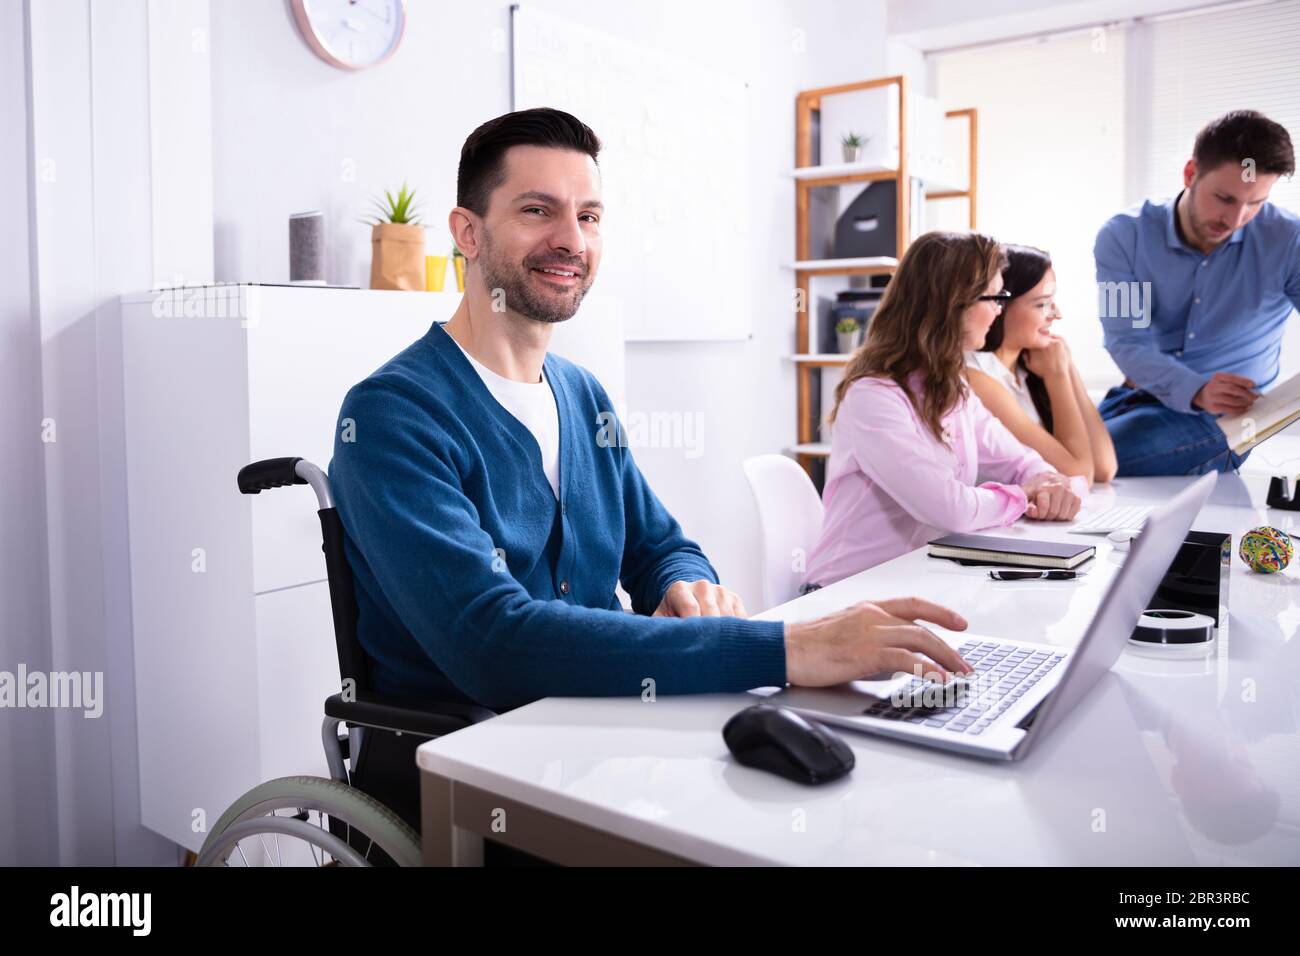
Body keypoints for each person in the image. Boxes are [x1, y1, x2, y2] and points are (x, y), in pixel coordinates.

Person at [329, 108, 974, 718]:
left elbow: (661, 548)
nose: (571, 240)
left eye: (589, 216)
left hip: (607, 731)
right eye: (537, 211)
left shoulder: (583, 395)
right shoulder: (392, 415)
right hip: (468, 766)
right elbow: (493, 644)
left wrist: (685, 586)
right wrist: (784, 648)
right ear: (468, 232)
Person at [802, 231, 1084, 589]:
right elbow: (949, 508)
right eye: (994, 297)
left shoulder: (953, 389)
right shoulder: (873, 398)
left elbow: (1020, 461)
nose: (999, 309)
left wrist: (1048, 483)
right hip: (842, 595)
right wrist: (1021, 496)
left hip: (914, 582)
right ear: (953, 303)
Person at [1096, 109, 1300, 475]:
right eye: (1225, 198)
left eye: (1255, 203)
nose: (1236, 220)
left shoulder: (1288, 240)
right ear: (1191, 174)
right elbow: (1126, 341)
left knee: (1086, 464)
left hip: (1229, 420)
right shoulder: (1125, 236)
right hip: (1137, 395)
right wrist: (1195, 387)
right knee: (1035, 455)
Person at [966, 244, 1117, 484]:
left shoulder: (1030, 367)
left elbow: (1104, 468)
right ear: (1000, 306)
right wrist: (1058, 377)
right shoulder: (976, 377)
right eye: (1042, 304)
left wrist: (1067, 369)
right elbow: (1078, 475)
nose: (1056, 314)